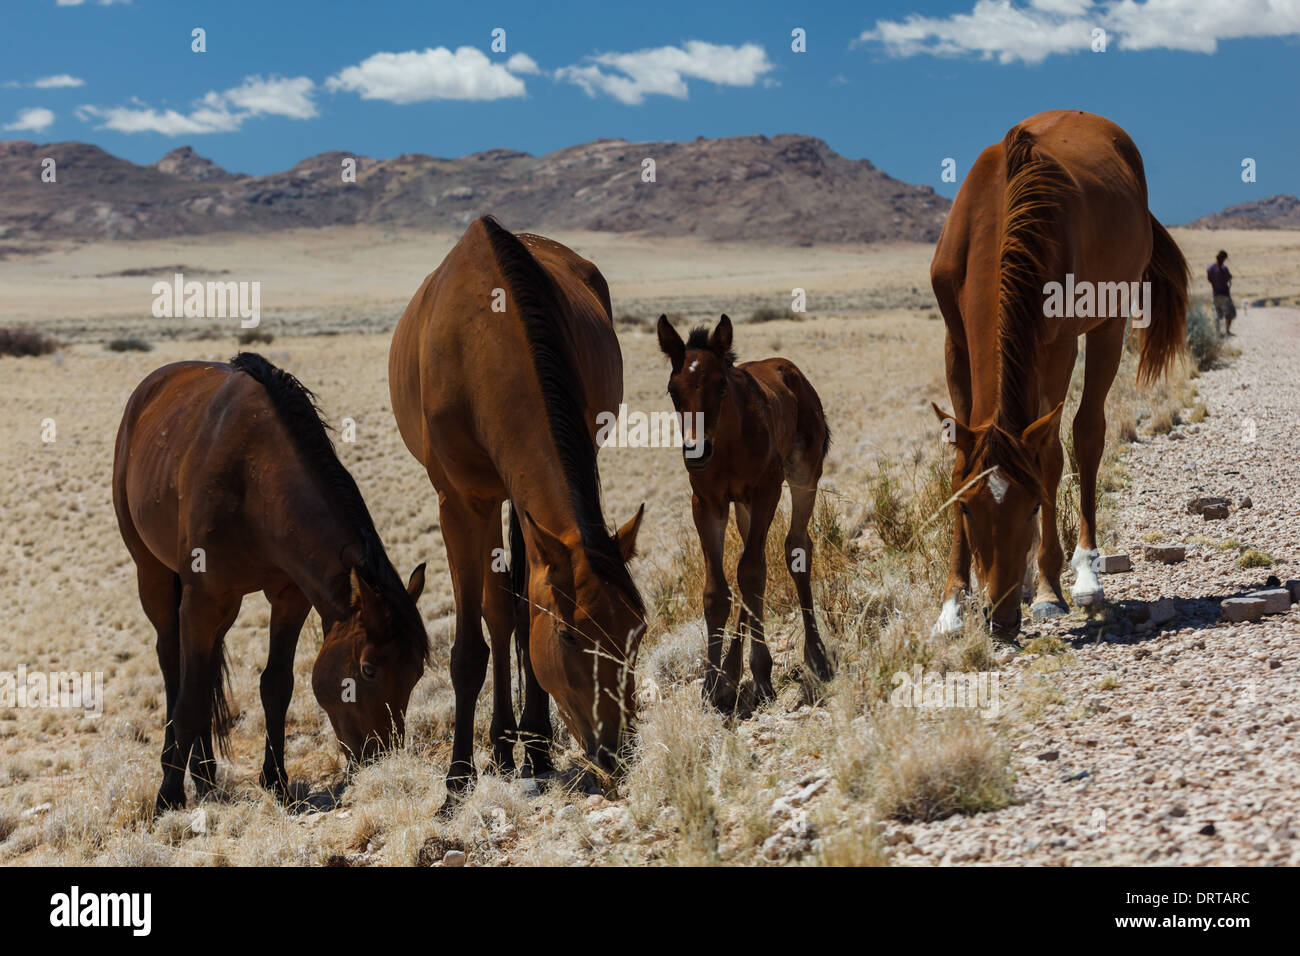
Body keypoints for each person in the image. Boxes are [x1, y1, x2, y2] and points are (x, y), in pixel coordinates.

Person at [1207, 249, 1235, 335]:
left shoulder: (1210, 269)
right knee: (1229, 313)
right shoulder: (1224, 268)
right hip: (1225, 294)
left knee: (1217, 314)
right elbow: (1228, 280)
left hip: (1215, 294)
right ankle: (1227, 331)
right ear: (1224, 259)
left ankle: (1218, 332)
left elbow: (1209, 280)